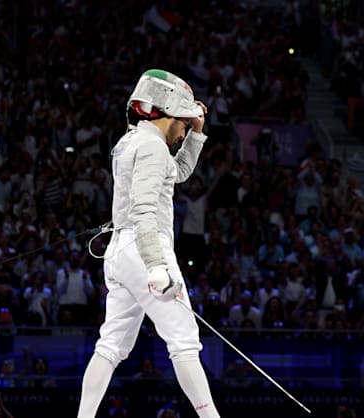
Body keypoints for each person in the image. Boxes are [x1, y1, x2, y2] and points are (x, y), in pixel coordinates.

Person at [77, 69, 220, 418]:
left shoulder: (131, 142)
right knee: (184, 342)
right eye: (185, 122)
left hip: (120, 252)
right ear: (168, 111)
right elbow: (143, 208)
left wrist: (197, 136)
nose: (186, 127)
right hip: (146, 247)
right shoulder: (152, 148)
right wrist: (156, 264)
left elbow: (177, 173)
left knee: (110, 345)